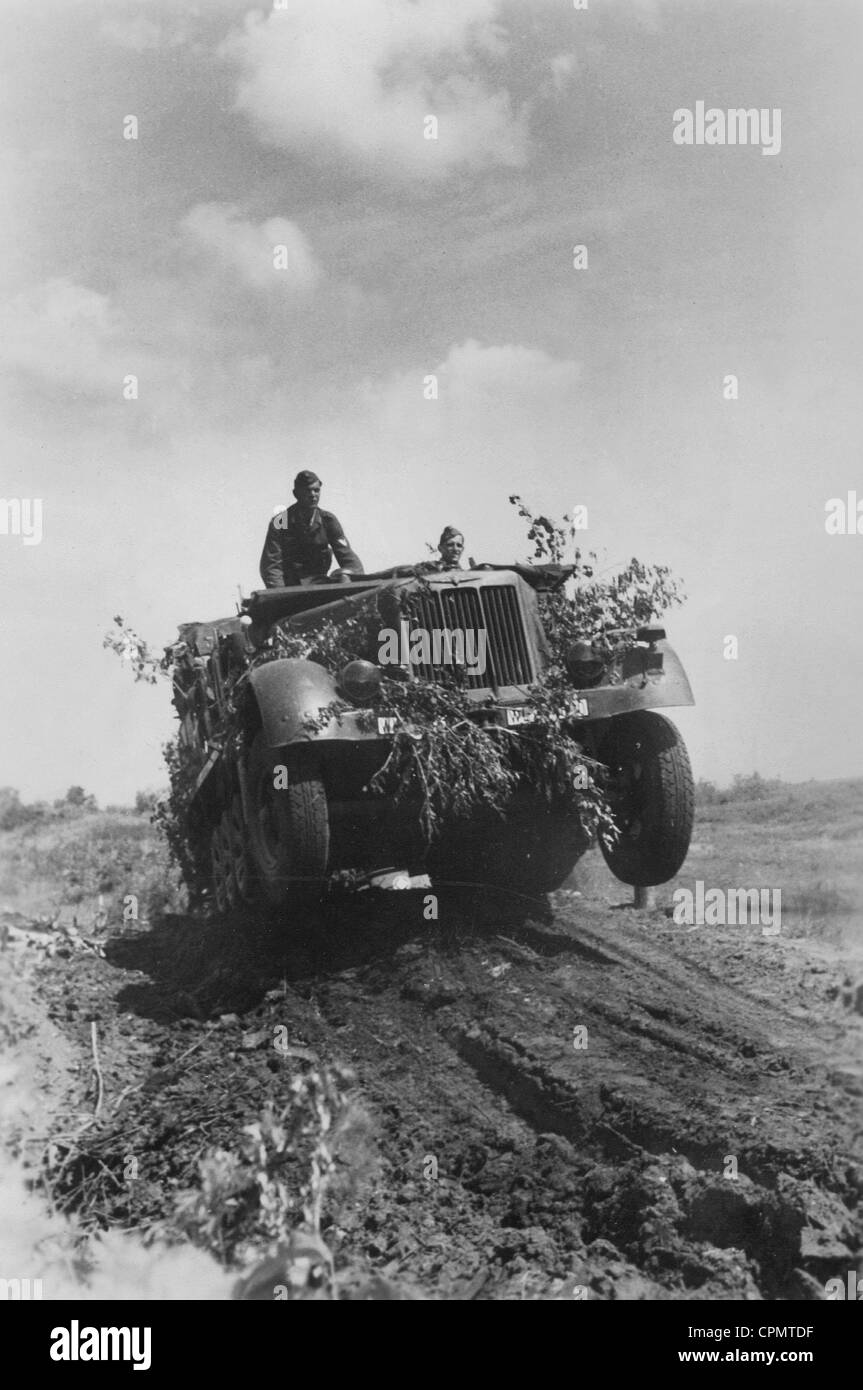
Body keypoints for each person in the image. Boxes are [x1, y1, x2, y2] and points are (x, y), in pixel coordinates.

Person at [259, 471, 364, 588]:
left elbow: (348, 557)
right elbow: (271, 565)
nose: (313, 494)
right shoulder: (281, 521)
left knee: (345, 579)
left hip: (319, 584)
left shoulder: (328, 520)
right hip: (290, 586)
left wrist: (353, 578)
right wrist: (280, 594)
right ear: (296, 494)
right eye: (307, 491)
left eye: (316, 490)